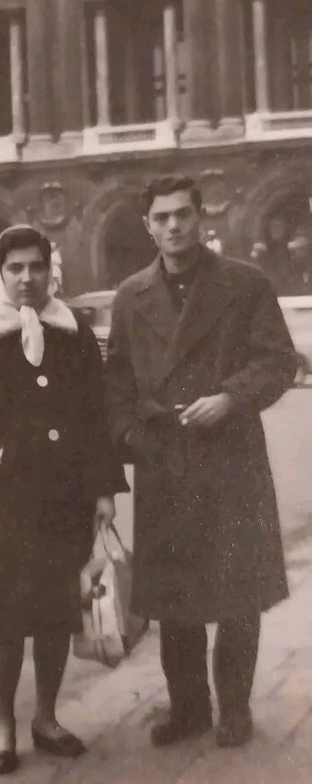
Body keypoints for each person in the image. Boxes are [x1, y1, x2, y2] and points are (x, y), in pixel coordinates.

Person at [104, 175, 295, 750]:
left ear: (200, 216)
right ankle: (189, 707)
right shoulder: (130, 294)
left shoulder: (244, 282)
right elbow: (116, 376)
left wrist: (231, 397)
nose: (173, 226)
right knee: (174, 598)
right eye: (161, 218)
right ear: (148, 227)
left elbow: (279, 360)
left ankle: (233, 708)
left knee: (238, 593)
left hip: (230, 454)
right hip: (165, 457)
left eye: (182, 214)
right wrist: (130, 436)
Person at [0, 225, 125, 775]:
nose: (26, 277)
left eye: (35, 267)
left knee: (55, 616)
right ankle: (3, 725)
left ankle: (45, 717)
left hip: (64, 499)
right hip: (0, 504)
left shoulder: (74, 335)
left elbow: (96, 417)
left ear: (50, 270)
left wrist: (105, 489)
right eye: (14, 267)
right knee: (3, 620)